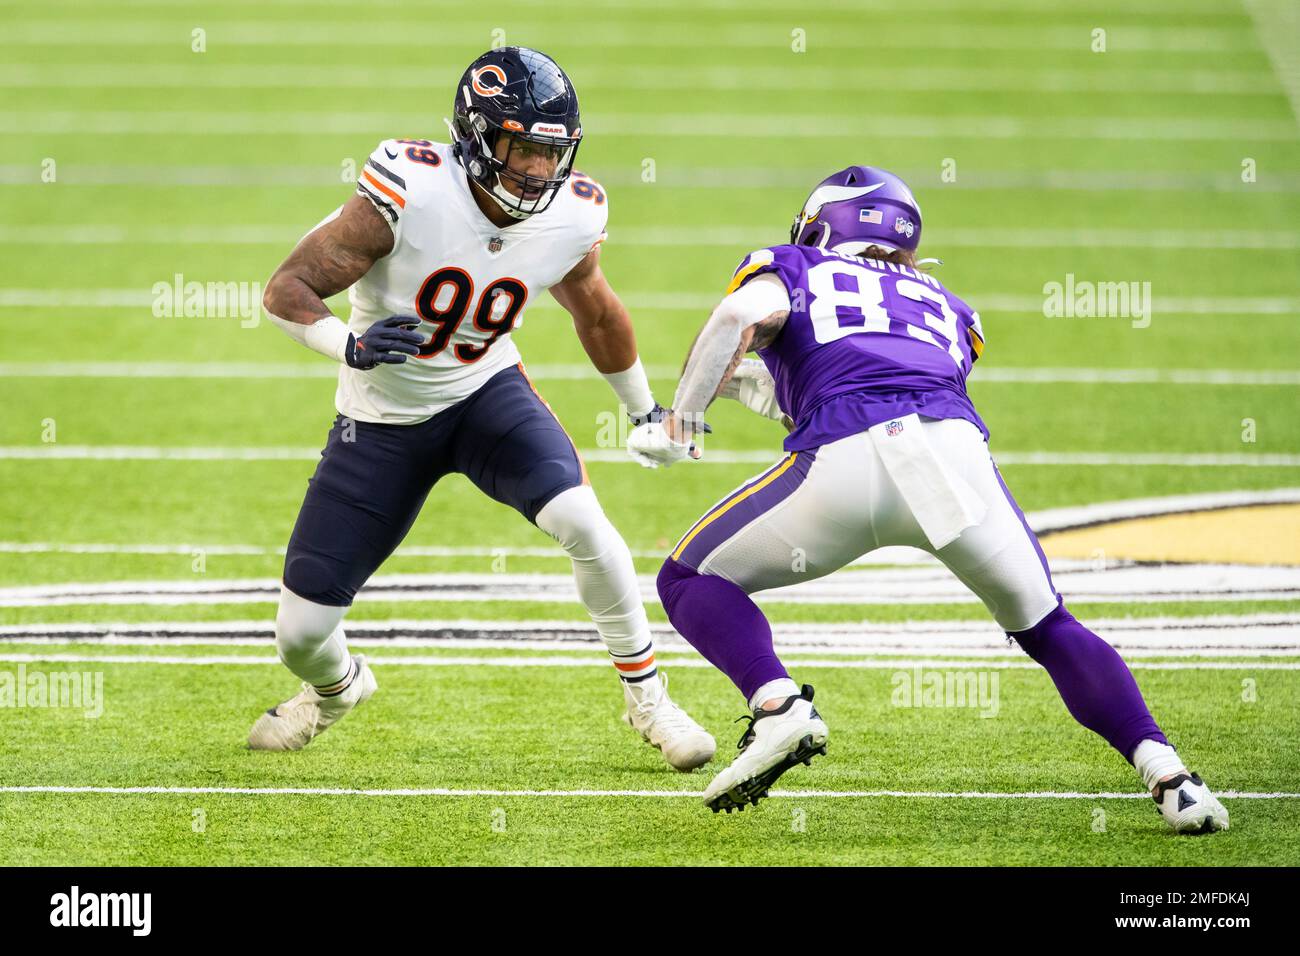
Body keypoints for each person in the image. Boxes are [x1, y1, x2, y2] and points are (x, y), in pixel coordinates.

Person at [628, 166, 1229, 831]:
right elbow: (869, 370)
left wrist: (680, 422)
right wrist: (743, 384)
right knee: (1048, 626)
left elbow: (741, 317)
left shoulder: (797, 265)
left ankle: (777, 706)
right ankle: (1172, 778)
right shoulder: (948, 304)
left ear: (822, 228)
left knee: (687, 579)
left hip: (845, 462)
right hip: (953, 461)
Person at [248, 46, 715, 772]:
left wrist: (645, 411)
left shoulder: (573, 214)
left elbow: (596, 312)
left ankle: (650, 700)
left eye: (550, 151)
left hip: (484, 395)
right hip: (380, 422)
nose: (536, 169)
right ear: (475, 136)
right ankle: (336, 690)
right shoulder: (408, 191)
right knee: (300, 635)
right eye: (521, 148)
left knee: (587, 525)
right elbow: (287, 289)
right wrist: (350, 346)